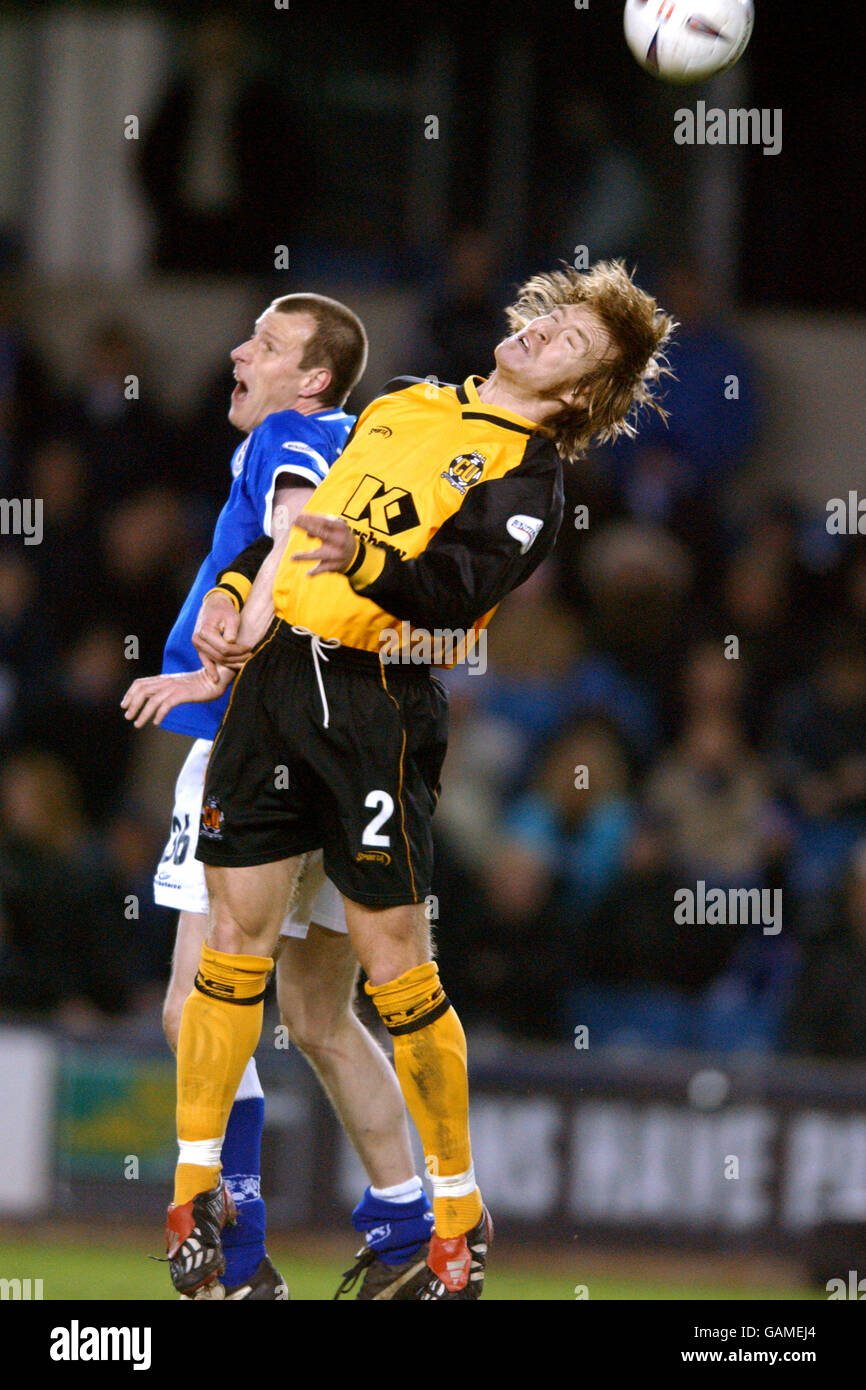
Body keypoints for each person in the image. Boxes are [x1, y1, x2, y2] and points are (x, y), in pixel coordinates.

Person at [125, 260, 674, 1300]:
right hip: (281, 688)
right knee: (296, 999)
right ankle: (323, 1225)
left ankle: (443, 1226)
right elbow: (293, 537)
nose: (545, 332)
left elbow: (444, 595)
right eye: (550, 316)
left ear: (579, 396)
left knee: (378, 977)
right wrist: (242, 587)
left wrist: (351, 562)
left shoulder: (527, 481)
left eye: (570, 344)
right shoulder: (405, 402)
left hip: (376, 706)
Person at [122, 293, 435, 1300]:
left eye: (263, 343)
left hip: (249, 744)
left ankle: (239, 1258)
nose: (236, 351)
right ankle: (408, 1233)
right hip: (349, 751)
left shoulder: (289, 436)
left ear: (310, 377)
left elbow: (298, 539)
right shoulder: (356, 443)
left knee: (196, 1004)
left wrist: (226, 661)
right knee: (320, 1013)